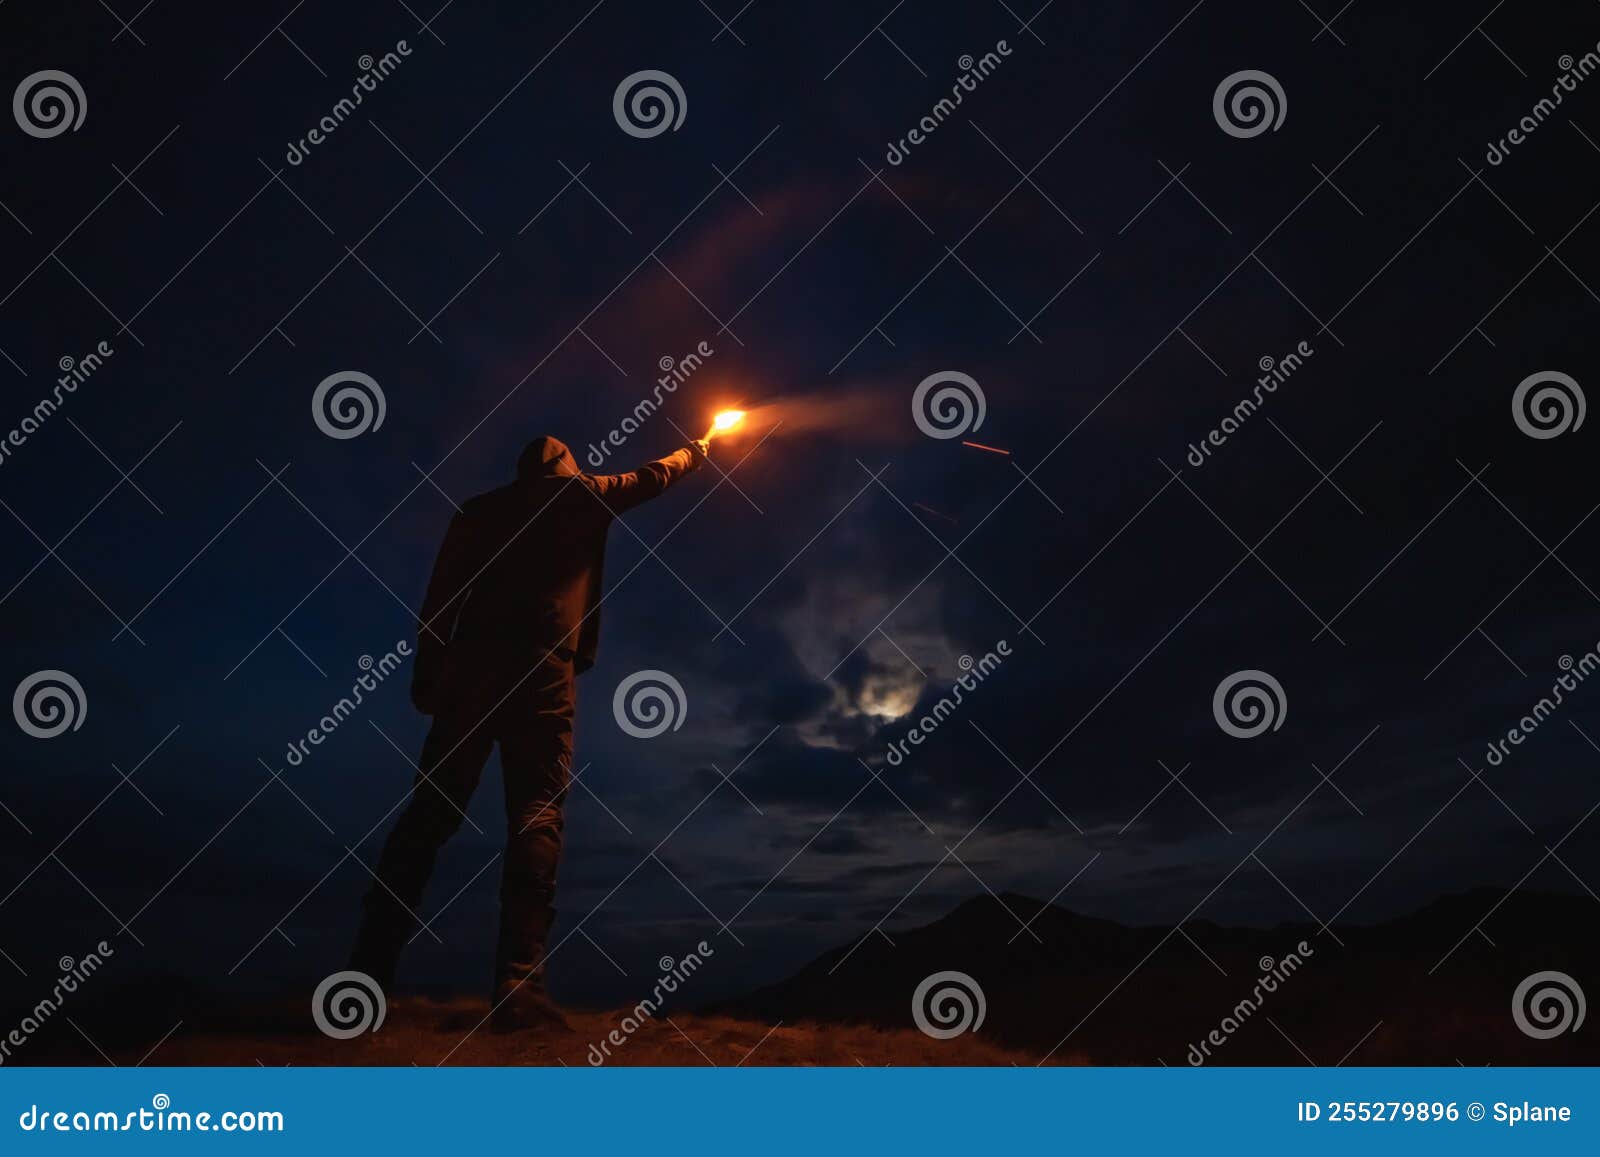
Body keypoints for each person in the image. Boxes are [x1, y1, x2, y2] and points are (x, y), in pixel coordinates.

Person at [349, 434, 709, 1031]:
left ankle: (365, 976)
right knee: (538, 814)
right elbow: (653, 477)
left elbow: (439, 601)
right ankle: (519, 989)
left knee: (428, 817)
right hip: (544, 671)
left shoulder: (478, 510)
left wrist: (427, 674)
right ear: (567, 465)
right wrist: (695, 451)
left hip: (469, 671)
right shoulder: (584, 495)